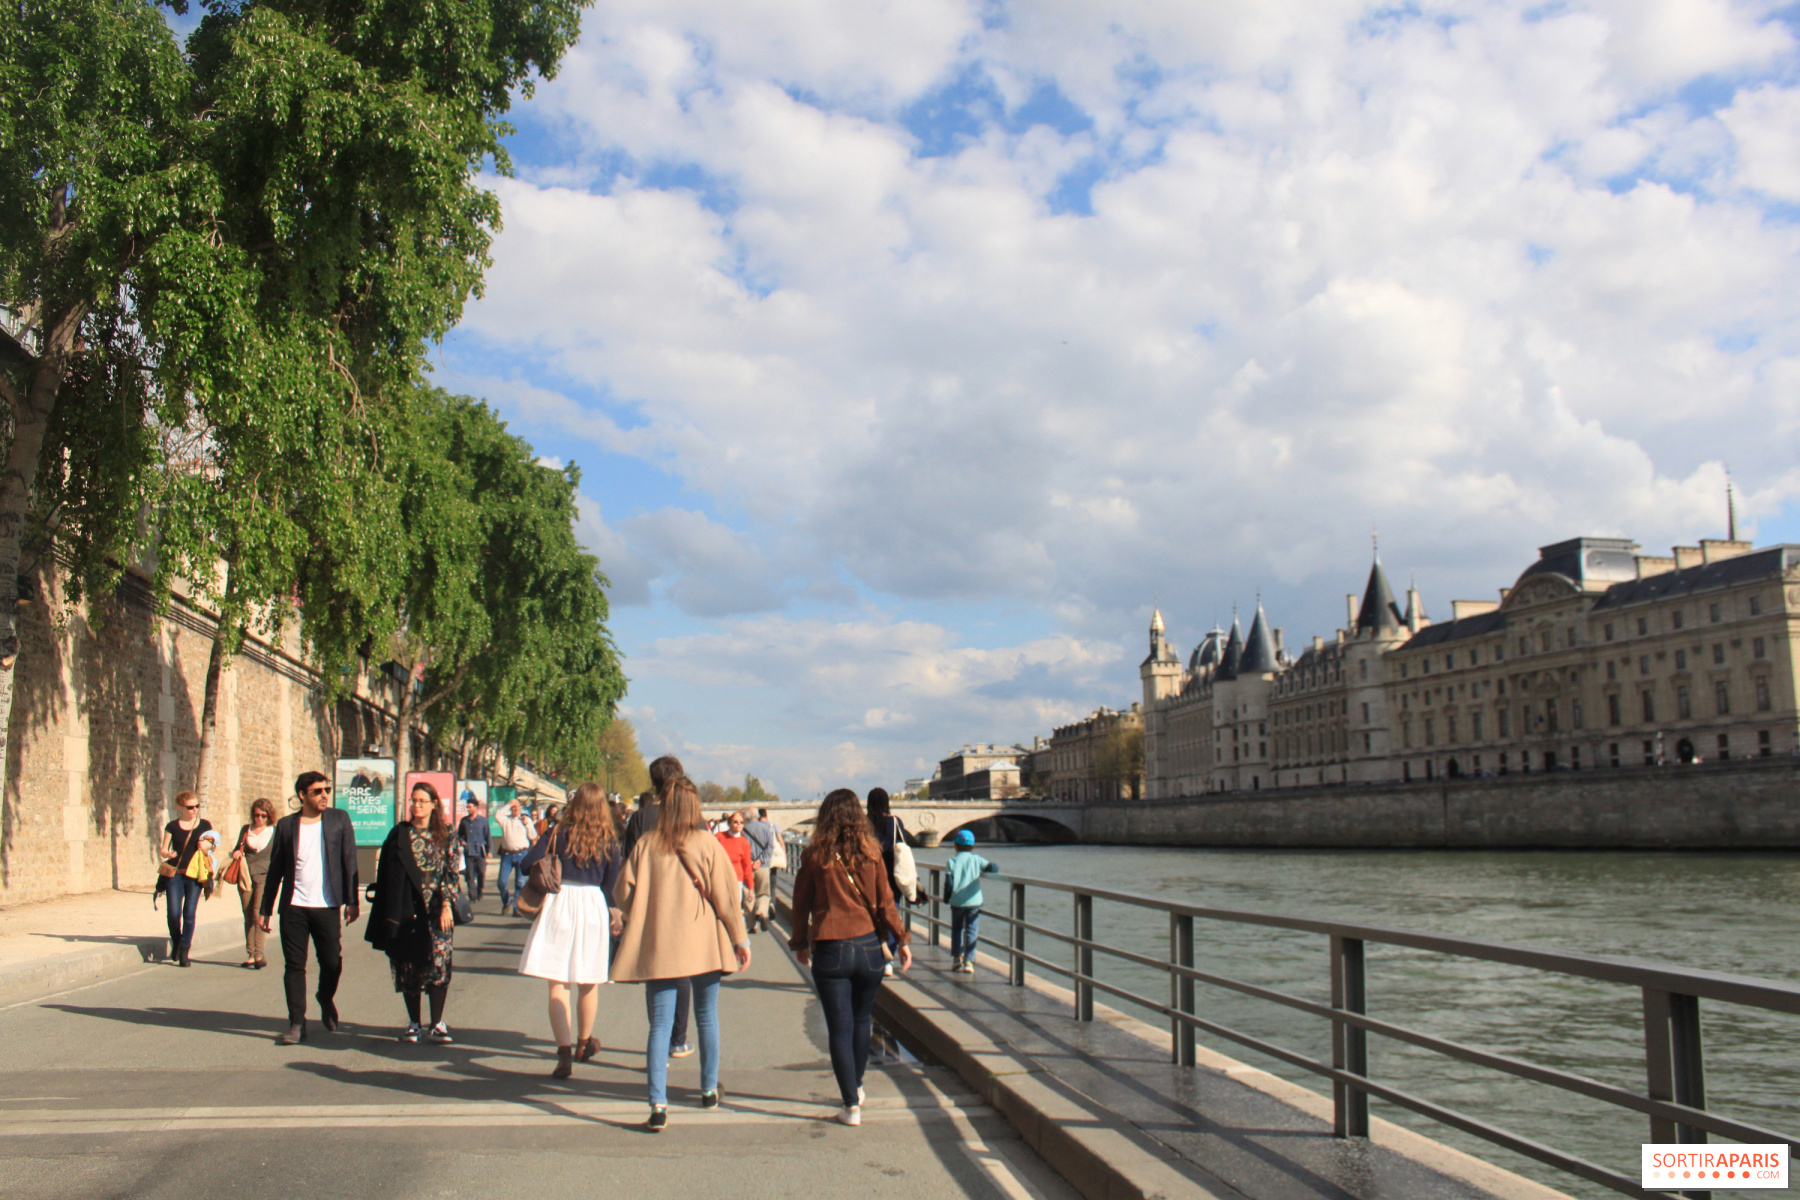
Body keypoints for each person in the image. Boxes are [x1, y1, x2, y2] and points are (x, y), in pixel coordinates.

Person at [611, 775, 751, 1132]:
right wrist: (739, 940)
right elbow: (725, 897)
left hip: (661, 942)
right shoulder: (707, 843)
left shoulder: (647, 844)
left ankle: (658, 1103)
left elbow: (622, 892)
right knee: (707, 1017)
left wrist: (642, 909)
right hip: (703, 941)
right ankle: (708, 1088)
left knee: (659, 1024)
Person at [788, 789, 912, 1126]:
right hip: (870, 948)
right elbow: (887, 901)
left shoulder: (815, 855)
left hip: (831, 948)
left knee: (839, 1028)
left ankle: (850, 1106)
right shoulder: (872, 852)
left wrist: (800, 941)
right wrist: (901, 939)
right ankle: (856, 1086)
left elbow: (801, 903)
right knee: (862, 1022)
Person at [518, 782, 624, 1078]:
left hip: (559, 903)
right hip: (592, 906)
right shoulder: (609, 841)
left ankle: (563, 1052)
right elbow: (609, 887)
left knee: (557, 982)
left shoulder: (557, 833)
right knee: (588, 981)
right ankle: (584, 1043)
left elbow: (527, 864)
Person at [260, 771, 361, 1045]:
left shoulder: (339, 819)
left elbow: (350, 861)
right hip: (294, 907)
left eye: (326, 789)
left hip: (327, 905)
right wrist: (265, 908)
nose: (324, 794)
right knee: (294, 965)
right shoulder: (286, 826)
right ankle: (296, 1023)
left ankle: (325, 997)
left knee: (331, 961)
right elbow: (276, 870)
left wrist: (352, 900)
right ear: (302, 795)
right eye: (317, 791)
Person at [367, 781, 464, 1043]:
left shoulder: (447, 835)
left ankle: (437, 1023)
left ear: (434, 804)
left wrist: (446, 905)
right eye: (413, 800)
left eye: (422, 800)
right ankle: (413, 1023)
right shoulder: (399, 834)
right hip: (407, 910)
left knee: (439, 963)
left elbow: (451, 873)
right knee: (407, 965)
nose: (416, 805)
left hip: (436, 912)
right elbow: (386, 874)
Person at [621, 758, 695, 1058]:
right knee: (684, 974)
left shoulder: (642, 819)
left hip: (650, 904)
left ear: (653, 784)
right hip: (685, 907)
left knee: (655, 975)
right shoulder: (693, 819)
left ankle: (660, 1042)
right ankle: (678, 1039)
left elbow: (628, 863)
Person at [158, 791, 212, 968]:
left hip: (195, 875)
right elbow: (163, 849)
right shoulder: (172, 826)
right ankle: (177, 940)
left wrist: (208, 845)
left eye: (197, 806)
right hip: (176, 874)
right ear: (181, 807)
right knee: (173, 913)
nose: (195, 810)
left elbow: (213, 844)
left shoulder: (204, 825)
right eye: (190, 807)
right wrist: (168, 853)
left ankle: (184, 950)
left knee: (189, 913)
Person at [229, 797, 279, 969]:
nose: (259, 819)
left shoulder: (274, 831)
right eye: (257, 815)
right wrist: (235, 853)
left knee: (258, 914)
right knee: (248, 913)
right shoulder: (246, 830)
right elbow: (238, 848)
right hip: (246, 875)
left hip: (265, 876)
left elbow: (279, 855)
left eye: (263, 816)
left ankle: (260, 954)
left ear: (269, 816)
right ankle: (250, 954)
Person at [865, 788, 911, 967]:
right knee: (892, 913)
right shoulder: (895, 822)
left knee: (870, 914)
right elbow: (904, 846)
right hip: (891, 876)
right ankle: (887, 960)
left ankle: (874, 952)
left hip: (869, 876)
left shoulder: (863, 823)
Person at [943, 830, 999, 974]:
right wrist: (993, 867)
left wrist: (946, 898)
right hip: (974, 901)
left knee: (956, 929)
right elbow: (992, 867)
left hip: (957, 902)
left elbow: (948, 884)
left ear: (955, 846)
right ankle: (969, 961)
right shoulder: (976, 860)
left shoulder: (951, 862)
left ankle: (956, 958)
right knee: (971, 930)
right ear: (973, 846)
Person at [495, 798, 534, 915]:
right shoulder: (505, 820)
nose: (515, 809)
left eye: (517, 807)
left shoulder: (525, 820)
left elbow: (533, 836)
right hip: (507, 854)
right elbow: (497, 815)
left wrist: (528, 825)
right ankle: (507, 901)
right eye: (513, 807)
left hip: (522, 853)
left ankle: (516, 908)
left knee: (520, 882)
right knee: (501, 882)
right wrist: (509, 803)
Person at [741, 807, 776, 933]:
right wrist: (761, 860)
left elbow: (741, 848)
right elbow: (770, 846)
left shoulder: (742, 830)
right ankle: (761, 912)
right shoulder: (766, 829)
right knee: (763, 893)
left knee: (748, 894)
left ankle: (751, 925)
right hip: (763, 866)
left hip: (747, 867)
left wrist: (749, 861)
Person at [715, 811, 755, 919]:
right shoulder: (719, 837)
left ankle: (740, 935)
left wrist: (750, 888)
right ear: (729, 823)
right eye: (735, 822)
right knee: (720, 909)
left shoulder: (744, 843)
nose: (738, 825)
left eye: (741, 822)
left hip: (737, 879)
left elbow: (747, 866)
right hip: (720, 878)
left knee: (735, 909)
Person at [458, 798, 489, 902]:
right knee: (470, 875)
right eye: (467, 807)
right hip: (469, 851)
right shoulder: (464, 821)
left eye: (470, 807)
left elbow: (488, 837)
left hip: (480, 852)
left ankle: (479, 890)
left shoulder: (483, 821)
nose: (468, 809)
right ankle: (472, 896)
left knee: (481, 873)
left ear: (476, 808)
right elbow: (459, 835)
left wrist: (489, 851)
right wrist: (462, 842)